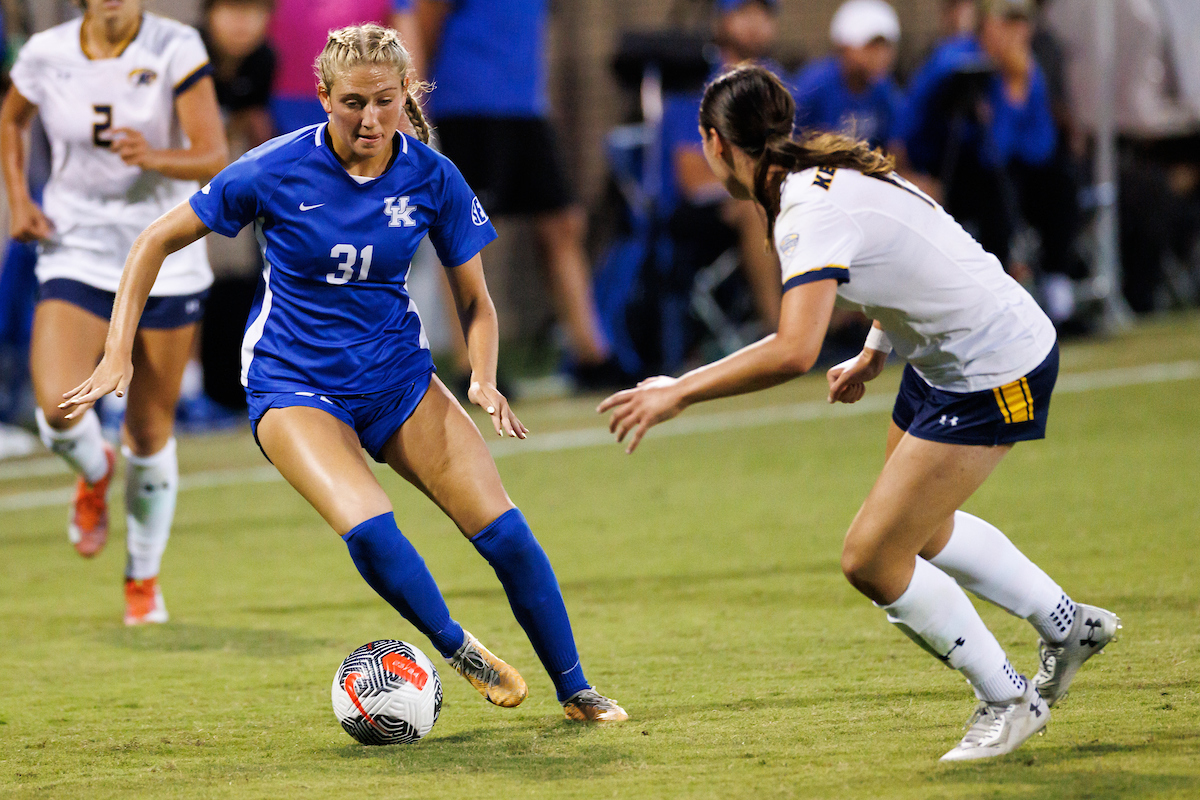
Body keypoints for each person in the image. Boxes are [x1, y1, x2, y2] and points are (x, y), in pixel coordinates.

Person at [61, 24, 627, 723]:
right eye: (353, 101)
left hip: (398, 379)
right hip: (294, 384)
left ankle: (577, 689)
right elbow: (154, 240)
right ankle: (458, 647)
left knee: (505, 532)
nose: (370, 118)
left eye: (385, 100)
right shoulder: (273, 168)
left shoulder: (432, 176)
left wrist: (481, 375)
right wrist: (117, 351)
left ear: (405, 95)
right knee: (370, 529)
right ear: (324, 96)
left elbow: (477, 302)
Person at [598, 65, 1118, 760]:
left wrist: (679, 390)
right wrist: (875, 350)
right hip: (941, 354)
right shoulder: (822, 171)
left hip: (994, 364)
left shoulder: (806, 207)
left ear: (715, 143)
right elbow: (907, 254)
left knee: (872, 557)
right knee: (919, 532)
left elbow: (794, 349)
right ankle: (1068, 625)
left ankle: (1008, 699)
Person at [0, 0, 228, 624]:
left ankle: (142, 581)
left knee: (149, 432)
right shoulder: (47, 52)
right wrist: (20, 199)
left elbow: (214, 155)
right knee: (59, 409)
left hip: (166, 255)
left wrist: (154, 156)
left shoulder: (174, 45)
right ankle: (94, 467)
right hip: (78, 249)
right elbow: (12, 120)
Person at [417, 0, 624, 390]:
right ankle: (473, 365)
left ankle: (592, 357)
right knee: (465, 236)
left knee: (562, 223)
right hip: (466, 106)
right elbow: (425, 23)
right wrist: (414, 102)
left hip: (526, 107)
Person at [791, 0, 907, 155]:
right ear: (844, 47)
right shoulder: (813, 86)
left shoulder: (884, 89)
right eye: (871, 47)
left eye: (886, 47)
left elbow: (895, 144)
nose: (881, 56)